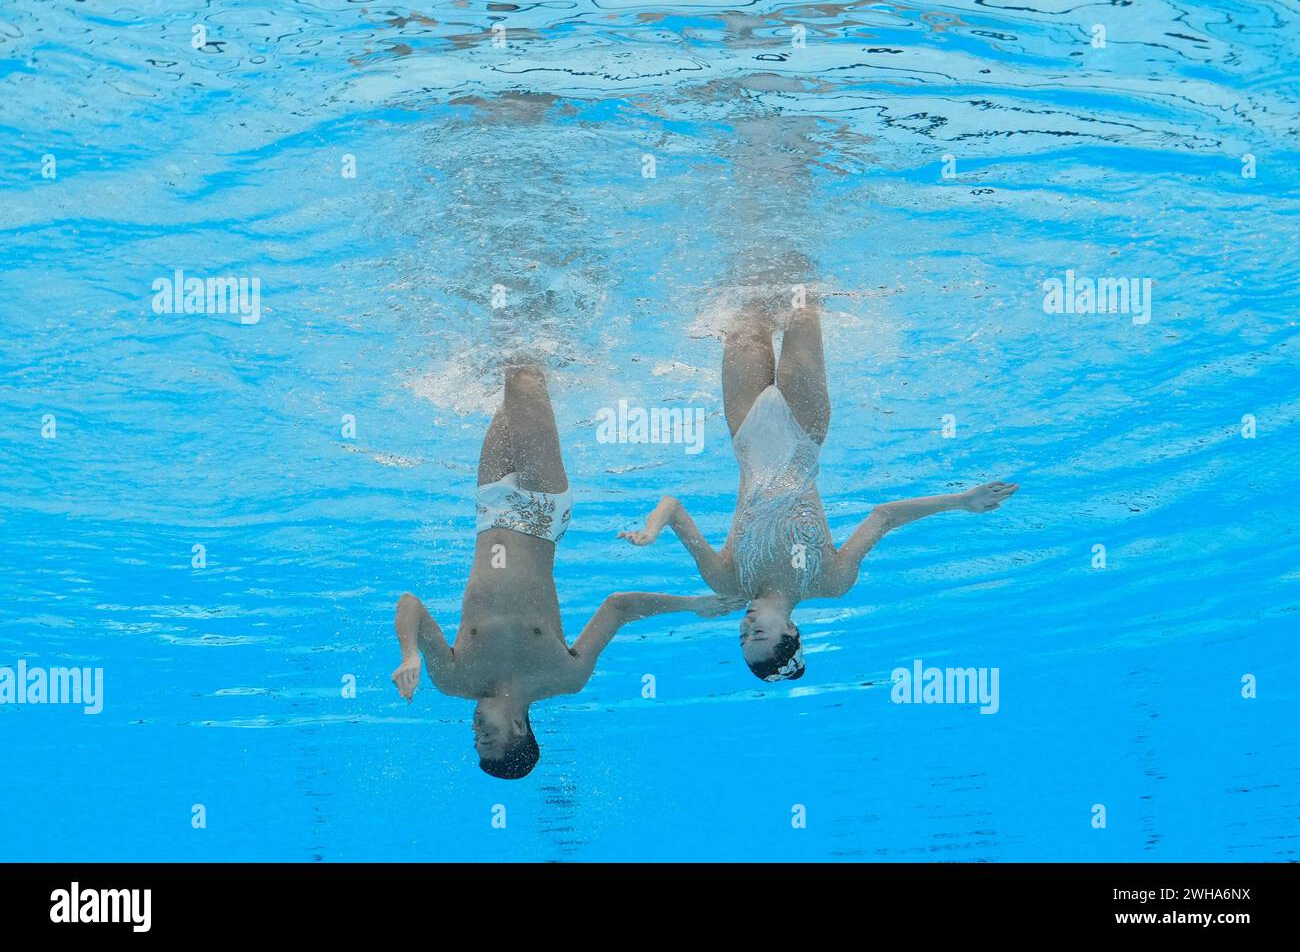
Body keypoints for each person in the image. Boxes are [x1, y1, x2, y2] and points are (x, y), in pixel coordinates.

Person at [619, 301, 1018, 683]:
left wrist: (651, 531)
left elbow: (672, 507)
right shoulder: (830, 581)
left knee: (743, 305)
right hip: (803, 428)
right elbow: (884, 517)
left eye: (742, 636)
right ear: (790, 629)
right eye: (759, 635)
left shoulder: (726, 581)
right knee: (801, 302)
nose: (747, 625)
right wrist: (960, 501)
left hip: (746, 430)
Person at [393, 363, 740, 778]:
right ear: (519, 727)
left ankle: (543, 334)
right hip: (540, 513)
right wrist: (693, 604)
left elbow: (410, 603)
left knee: (509, 382)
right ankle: (562, 328)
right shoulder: (564, 676)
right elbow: (619, 608)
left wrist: (410, 652)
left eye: (475, 737)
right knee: (522, 374)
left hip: (491, 507)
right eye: (487, 735)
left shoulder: (453, 679)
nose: (475, 727)